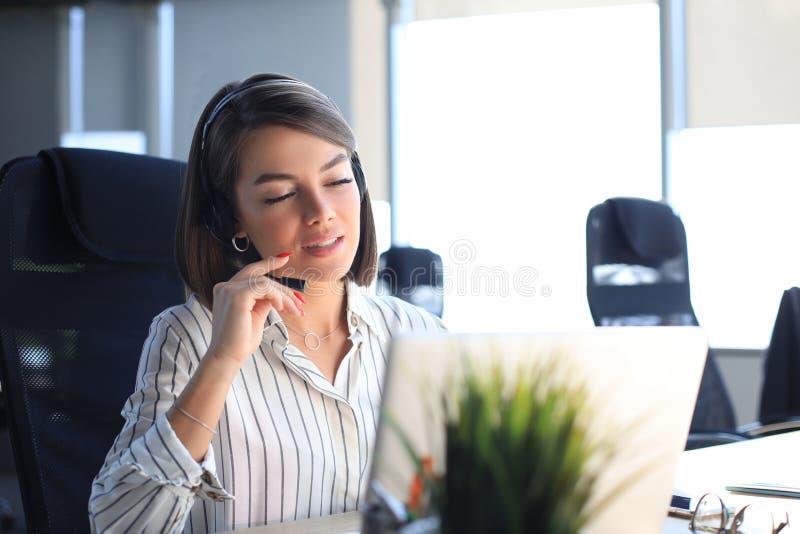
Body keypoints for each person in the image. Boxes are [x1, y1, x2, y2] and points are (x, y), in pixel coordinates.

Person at [88, 73, 445, 532]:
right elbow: (119, 525)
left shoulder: (420, 335)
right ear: (232, 219)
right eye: (281, 195)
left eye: (336, 179)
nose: (321, 211)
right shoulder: (190, 336)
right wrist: (222, 359)